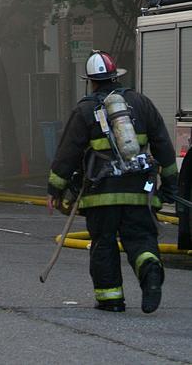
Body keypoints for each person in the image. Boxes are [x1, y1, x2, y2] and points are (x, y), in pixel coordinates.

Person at [46, 50, 178, 314]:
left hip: (100, 194)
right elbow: (163, 145)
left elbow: (68, 152)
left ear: (91, 81)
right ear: (116, 77)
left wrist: (55, 188)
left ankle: (111, 299)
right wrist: (171, 185)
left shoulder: (84, 109)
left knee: (104, 242)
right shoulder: (141, 103)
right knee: (140, 239)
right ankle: (149, 267)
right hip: (140, 192)